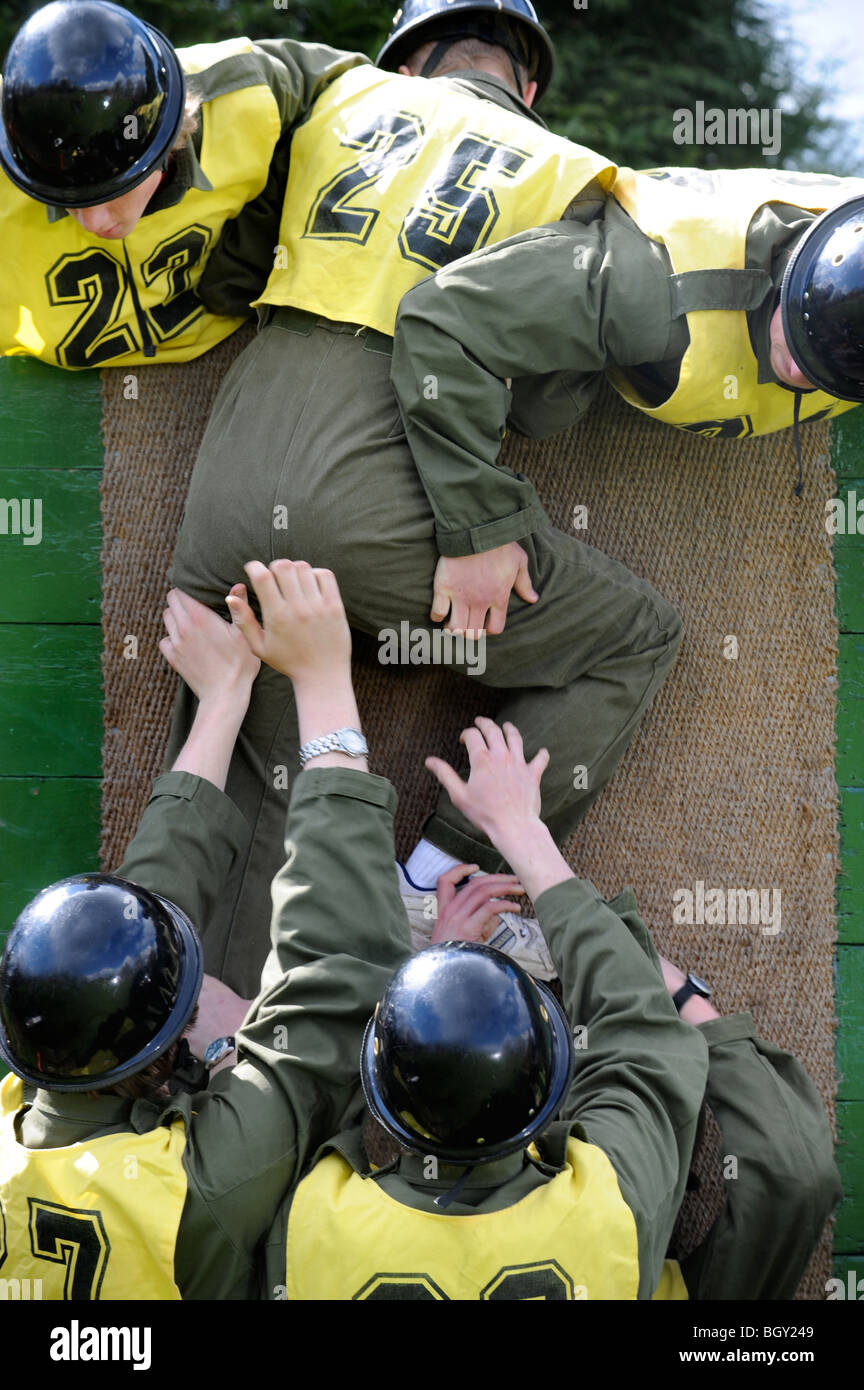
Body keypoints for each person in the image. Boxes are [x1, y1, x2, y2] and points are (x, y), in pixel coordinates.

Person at [166, 0, 683, 995]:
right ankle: (442, 875)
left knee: (257, 791)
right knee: (634, 636)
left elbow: (230, 271)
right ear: (527, 84)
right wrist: (477, 523)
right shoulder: (565, 171)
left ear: (406, 62)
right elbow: (542, 411)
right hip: (376, 492)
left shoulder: (335, 101)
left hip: (227, 483)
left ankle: (185, 1047)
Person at [248, 713, 840, 1302]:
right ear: (555, 1089)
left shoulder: (307, 1224)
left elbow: (307, 1074)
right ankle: (686, 995)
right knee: (788, 1173)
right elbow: (641, 1038)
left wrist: (437, 987)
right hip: (625, 1259)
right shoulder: (610, 1203)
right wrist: (523, 834)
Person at [0, 562, 413, 1299]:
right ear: (166, 1057)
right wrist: (322, 682)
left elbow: (119, 946)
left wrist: (223, 700)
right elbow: (340, 985)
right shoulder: (207, 1190)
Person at [390, 169, 864, 551]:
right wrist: (483, 537)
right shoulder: (654, 290)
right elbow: (443, 317)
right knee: (539, 409)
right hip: (473, 207)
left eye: (839, 367)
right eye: (806, 338)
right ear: (799, 278)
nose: (801, 374)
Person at [0, 0, 368, 367]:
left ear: (167, 140)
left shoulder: (242, 94)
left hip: (231, 364)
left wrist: (254, 246)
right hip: (47, 400)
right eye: (65, 197)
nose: (95, 221)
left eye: (115, 189)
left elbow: (361, 92)